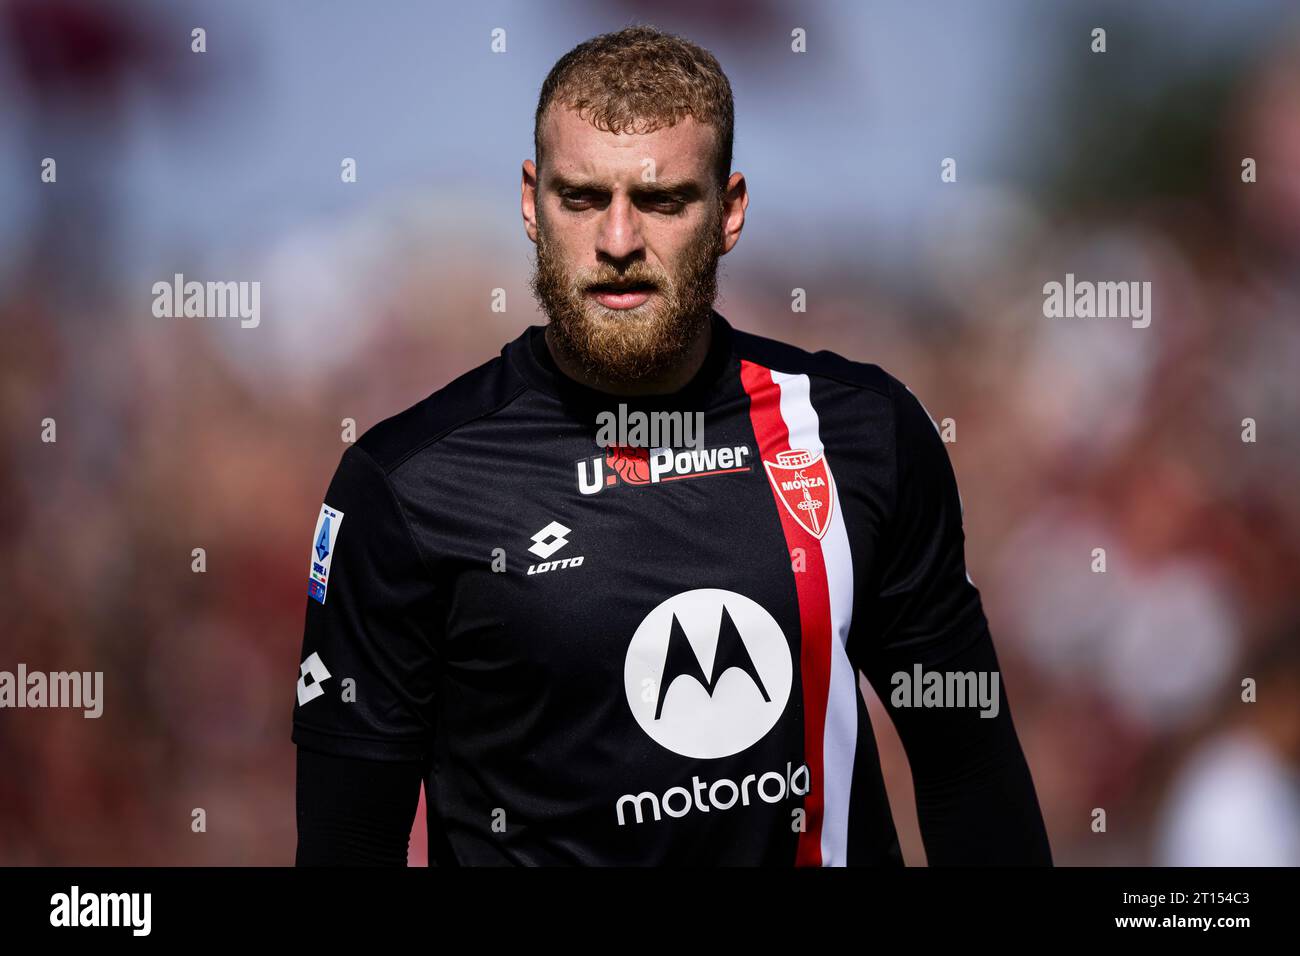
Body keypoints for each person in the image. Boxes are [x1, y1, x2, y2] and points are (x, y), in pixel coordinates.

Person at [292, 24, 1051, 866]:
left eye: (661, 201)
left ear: (728, 213)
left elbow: (968, 767)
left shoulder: (860, 433)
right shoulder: (405, 487)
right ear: (530, 202)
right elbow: (347, 845)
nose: (618, 243)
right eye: (582, 199)